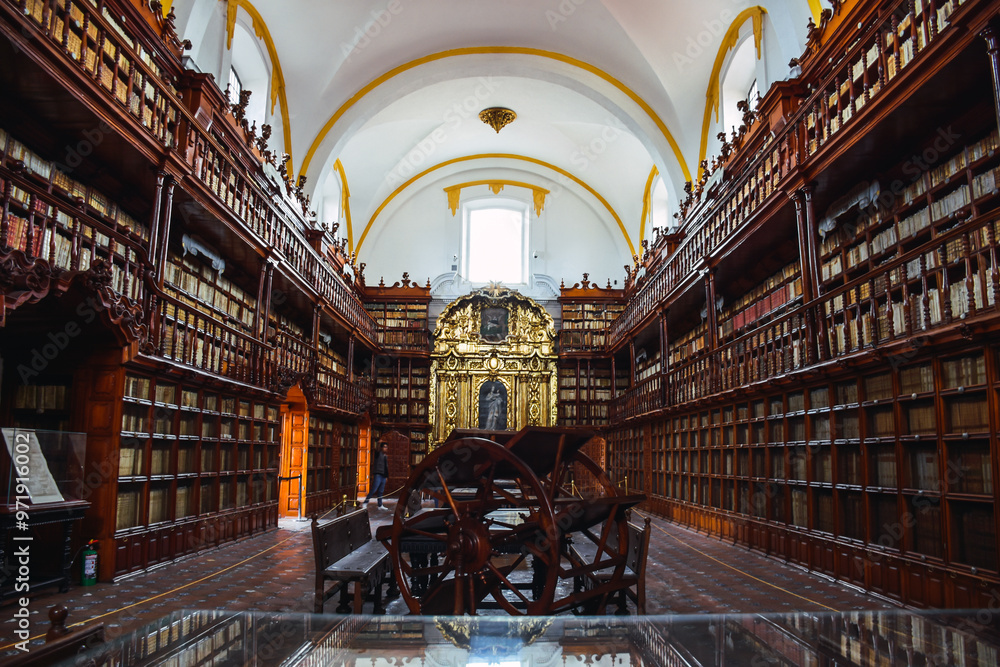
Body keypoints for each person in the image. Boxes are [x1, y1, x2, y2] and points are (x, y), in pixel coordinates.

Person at [363, 442, 390, 509]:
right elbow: (377, 449)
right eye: (384, 447)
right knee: (374, 489)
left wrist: (386, 476)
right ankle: (365, 502)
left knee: (381, 491)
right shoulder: (378, 454)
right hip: (378, 474)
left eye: (386, 447)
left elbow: (386, 467)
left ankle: (380, 505)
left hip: (383, 476)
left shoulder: (385, 456)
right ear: (381, 448)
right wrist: (378, 443)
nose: (386, 448)